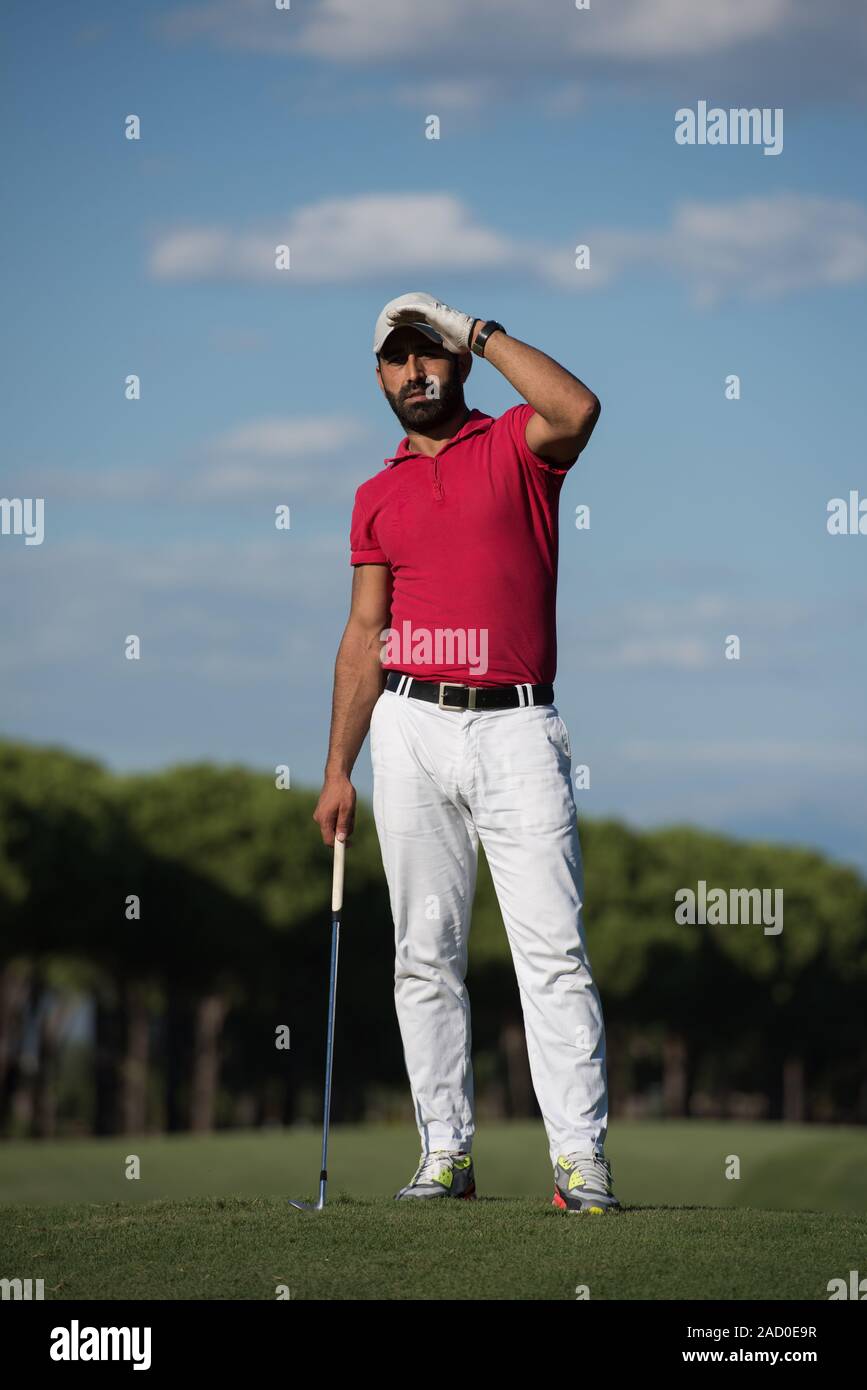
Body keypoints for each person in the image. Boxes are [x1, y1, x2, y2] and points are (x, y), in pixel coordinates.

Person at [313, 292, 620, 1214]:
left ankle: (579, 1163)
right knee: (423, 954)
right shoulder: (377, 493)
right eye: (397, 360)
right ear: (379, 377)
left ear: (456, 363)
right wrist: (337, 768)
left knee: (553, 953)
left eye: (430, 354)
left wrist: (479, 331)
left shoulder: (518, 446)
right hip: (409, 727)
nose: (415, 372)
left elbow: (580, 411)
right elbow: (365, 633)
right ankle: (444, 1153)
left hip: (518, 725)